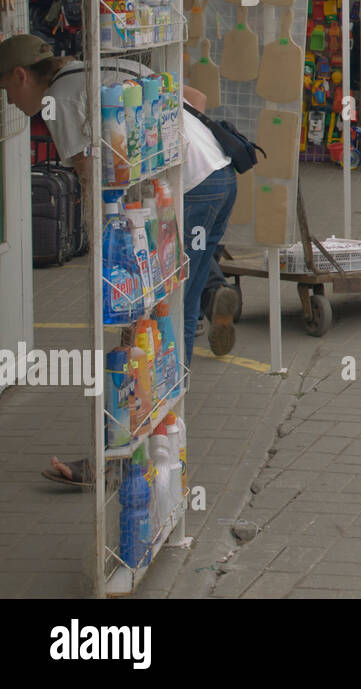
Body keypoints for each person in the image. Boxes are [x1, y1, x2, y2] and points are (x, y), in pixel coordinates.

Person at [0, 33, 240, 487]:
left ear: (21, 76)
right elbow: (194, 98)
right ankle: (156, 431)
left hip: (188, 186)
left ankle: (143, 443)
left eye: (9, 91)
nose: (11, 102)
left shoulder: (59, 100)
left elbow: (93, 182)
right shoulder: (100, 70)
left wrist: (112, 251)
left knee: (165, 314)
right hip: (215, 171)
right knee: (175, 302)